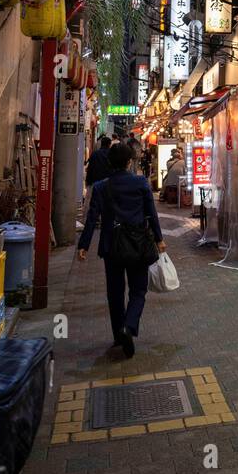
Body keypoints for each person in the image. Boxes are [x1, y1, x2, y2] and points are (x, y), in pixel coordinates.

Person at [77, 143, 166, 357]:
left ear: (110, 163)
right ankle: (130, 326)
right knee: (138, 290)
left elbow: (91, 218)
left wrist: (84, 245)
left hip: (111, 245)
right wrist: (159, 239)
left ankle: (119, 334)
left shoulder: (100, 187)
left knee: (114, 293)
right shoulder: (140, 183)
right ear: (129, 162)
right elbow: (151, 213)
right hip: (137, 244)